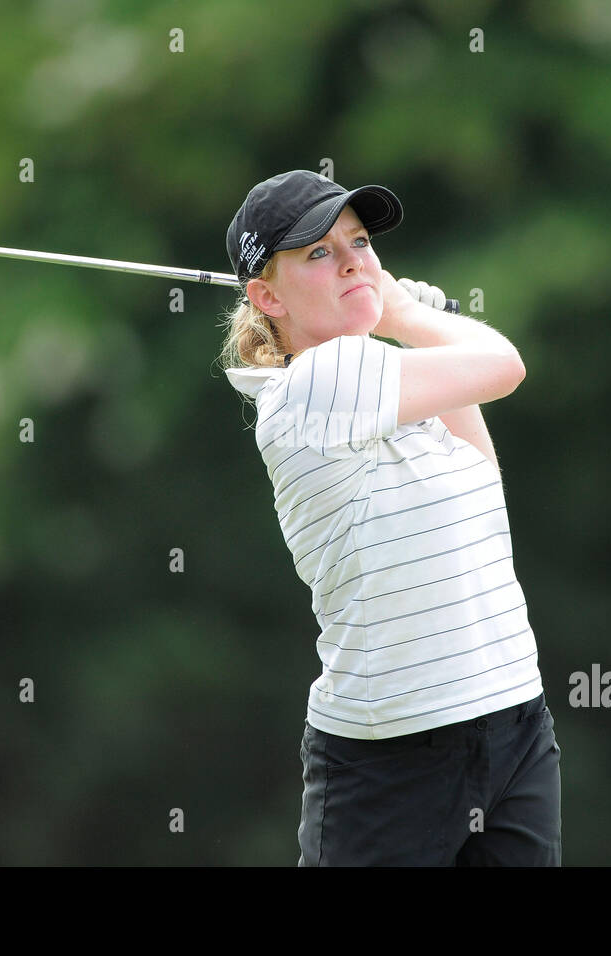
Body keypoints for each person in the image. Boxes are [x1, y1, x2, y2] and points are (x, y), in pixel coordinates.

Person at [218, 169, 561, 866]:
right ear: (265, 297)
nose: (352, 261)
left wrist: (417, 335)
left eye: (360, 241)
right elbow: (505, 365)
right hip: (392, 759)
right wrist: (407, 318)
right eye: (318, 253)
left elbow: (480, 490)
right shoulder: (314, 387)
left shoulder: (386, 385)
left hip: (512, 719)